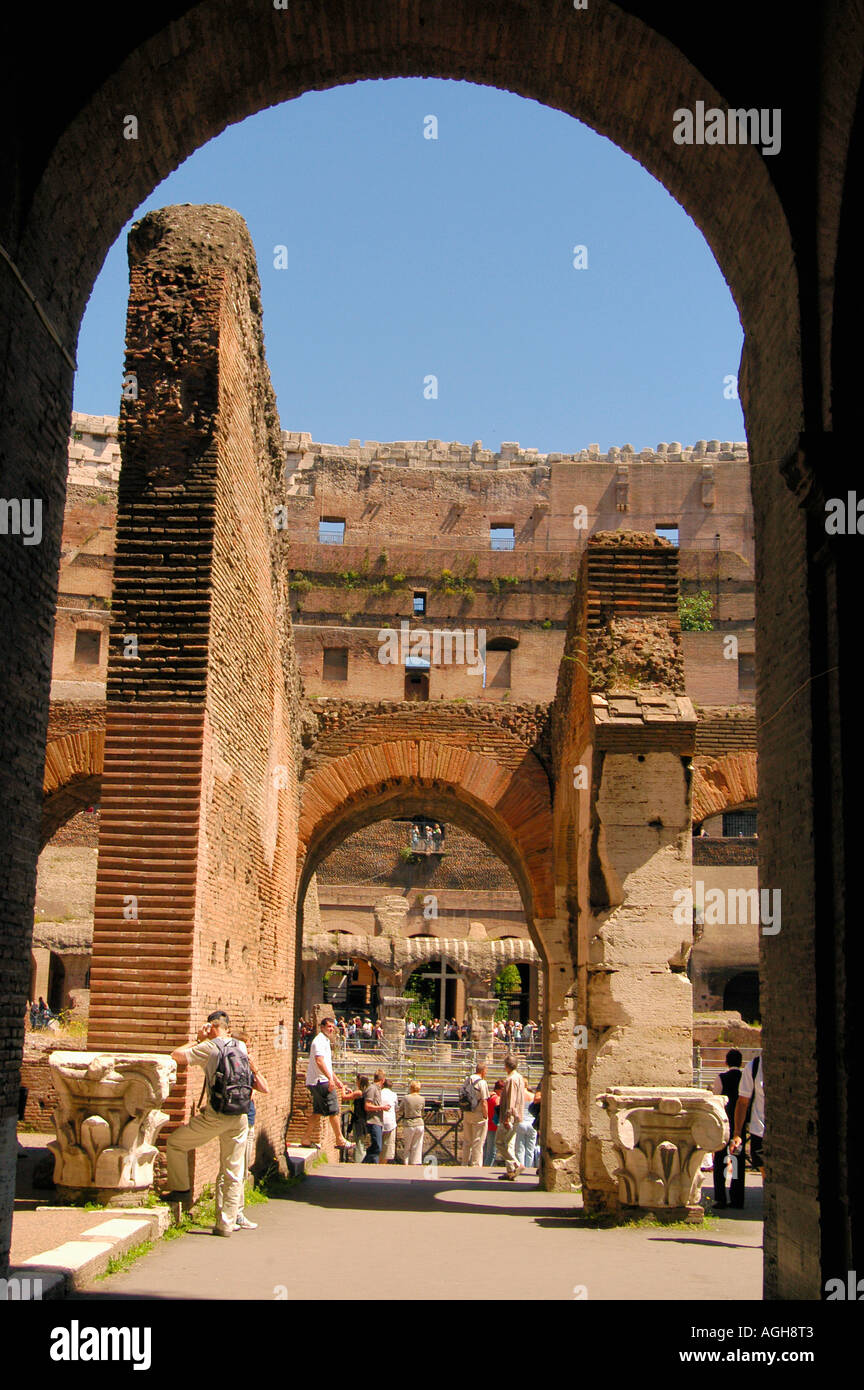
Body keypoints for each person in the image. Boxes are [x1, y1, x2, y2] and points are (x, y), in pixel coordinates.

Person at [163, 1010, 263, 1237]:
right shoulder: (241, 1046)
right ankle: (226, 1223)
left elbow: (176, 1055)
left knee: (176, 1144)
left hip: (216, 1115)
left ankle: (180, 1190)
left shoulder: (209, 1047)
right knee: (233, 1169)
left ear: (210, 1026)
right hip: (239, 1115)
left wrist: (198, 1039)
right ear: (228, 1026)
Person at [219, 1029, 270, 1231]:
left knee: (237, 1169)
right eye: (247, 1047)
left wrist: (254, 1069)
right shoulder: (236, 1068)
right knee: (236, 1170)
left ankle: (233, 1213)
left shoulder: (243, 1068)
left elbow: (265, 1088)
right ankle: (235, 1213)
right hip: (240, 1120)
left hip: (245, 1120)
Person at [301, 1016, 355, 1153]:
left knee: (318, 1111)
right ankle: (339, 1139)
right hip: (321, 1081)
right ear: (322, 1027)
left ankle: (306, 1139)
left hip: (320, 1080)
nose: (331, 1029)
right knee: (334, 1110)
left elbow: (327, 1066)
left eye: (332, 1026)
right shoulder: (319, 1041)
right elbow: (319, 1061)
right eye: (328, 1026)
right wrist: (330, 1080)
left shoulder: (324, 1041)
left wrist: (337, 1081)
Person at [712, 1049, 745, 1209]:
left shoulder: (721, 1078)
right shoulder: (745, 1078)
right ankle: (737, 1198)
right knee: (737, 1160)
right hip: (740, 1124)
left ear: (726, 1062)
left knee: (720, 1160)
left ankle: (720, 1198)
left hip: (724, 1124)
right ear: (741, 1063)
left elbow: (716, 1099)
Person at [495, 1054, 532, 1180]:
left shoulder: (511, 1080)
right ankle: (510, 1171)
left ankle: (516, 1164)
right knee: (509, 1143)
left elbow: (511, 1100)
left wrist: (506, 1118)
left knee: (499, 1142)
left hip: (510, 1117)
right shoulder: (520, 1078)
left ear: (506, 1066)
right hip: (517, 1116)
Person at [730, 1052, 765, 1181]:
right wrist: (737, 1133)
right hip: (759, 1131)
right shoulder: (753, 1067)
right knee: (766, 1175)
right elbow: (742, 1102)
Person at [460, 1062, 489, 1166]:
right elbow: (484, 1101)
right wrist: (485, 1115)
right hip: (478, 1113)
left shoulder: (467, 1080)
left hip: (467, 1112)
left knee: (467, 1140)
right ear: (482, 1071)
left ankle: (464, 1162)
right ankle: (475, 1164)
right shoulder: (482, 1083)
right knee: (478, 1141)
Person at [362, 1069, 391, 1163]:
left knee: (377, 1146)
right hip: (373, 1121)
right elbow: (367, 1106)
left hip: (378, 1121)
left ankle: (371, 1163)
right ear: (383, 1080)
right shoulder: (372, 1089)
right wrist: (382, 1107)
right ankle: (365, 1163)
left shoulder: (377, 1090)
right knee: (377, 1146)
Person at [397, 1080, 425, 1164]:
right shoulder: (422, 1099)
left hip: (409, 1123)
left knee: (407, 1146)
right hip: (419, 1122)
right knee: (417, 1146)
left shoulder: (406, 1098)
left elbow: (400, 1109)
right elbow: (422, 1111)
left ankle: (406, 1162)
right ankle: (416, 1163)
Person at [484, 1079, 505, 1166]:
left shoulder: (489, 1096)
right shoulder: (497, 1099)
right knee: (492, 1151)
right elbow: (498, 1109)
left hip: (488, 1124)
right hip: (494, 1126)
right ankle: (488, 1167)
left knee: (487, 1150)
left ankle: (485, 1165)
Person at [380, 1076, 398, 1163]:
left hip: (379, 1121)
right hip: (390, 1122)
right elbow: (396, 1108)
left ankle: (378, 1163)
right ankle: (384, 1163)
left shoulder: (379, 1093)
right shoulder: (394, 1095)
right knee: (387, 1146)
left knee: (378, 1144)